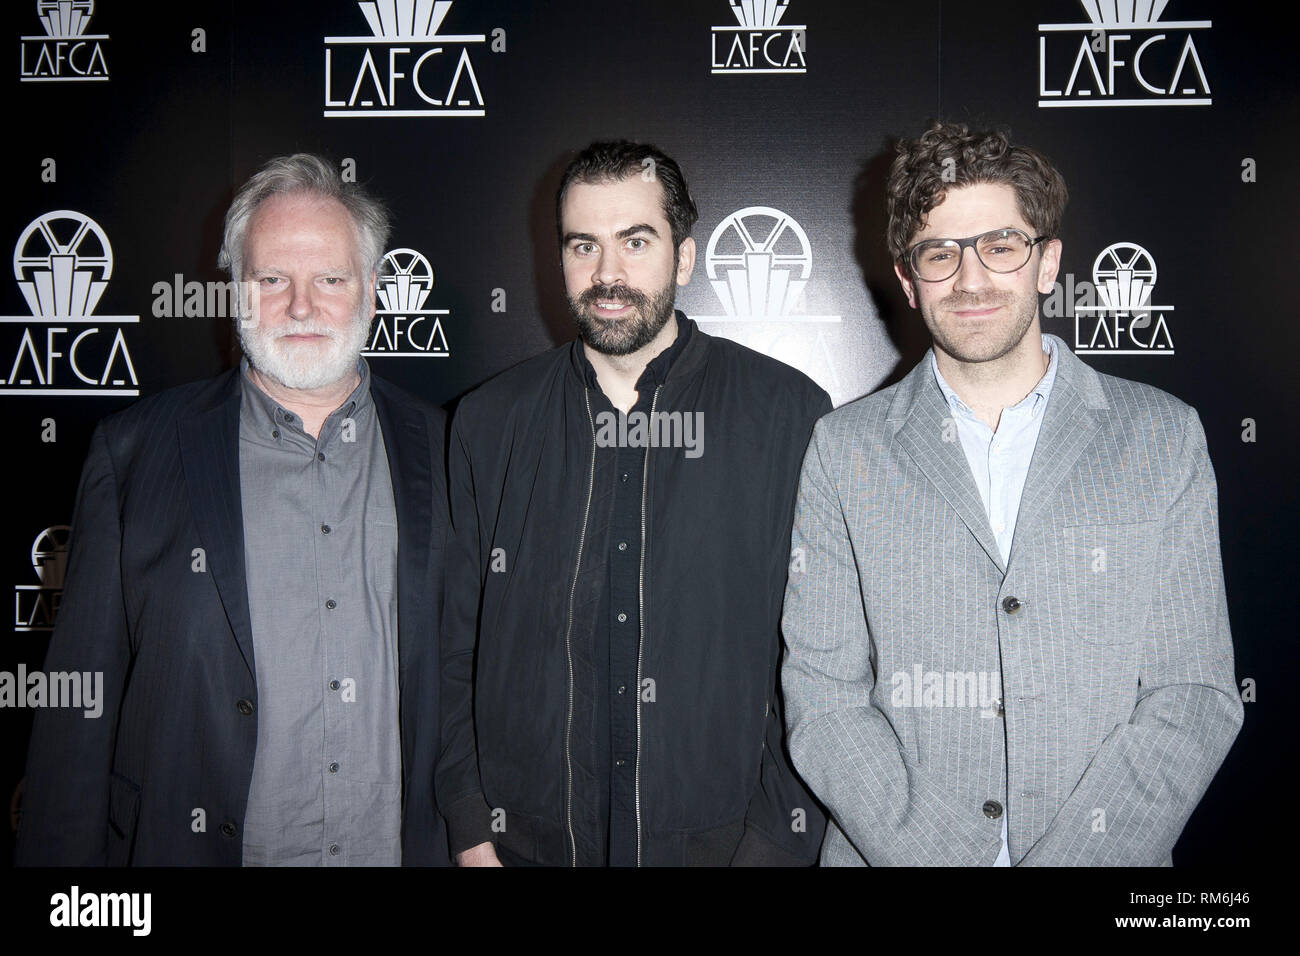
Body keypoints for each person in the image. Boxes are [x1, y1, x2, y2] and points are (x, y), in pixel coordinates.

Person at [781, 121, 1242, 866]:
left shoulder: (1163, 438)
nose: (970, 279)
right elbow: (824, 697)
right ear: (908, 278)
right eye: (940, 253)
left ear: (1048, 262)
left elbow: (1193, 694)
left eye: (1000, 245)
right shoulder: (845, 450)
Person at [15, 154, 451, 866]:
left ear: (372, 291)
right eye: (272, 279)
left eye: (331, 280)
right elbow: (77, 717)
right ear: (235, 293)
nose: (301, 306)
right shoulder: (134, 455)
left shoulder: (446, 451)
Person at [438, 140, 829, 866]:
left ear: (683, 258)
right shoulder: (489, 423)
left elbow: (822, 664)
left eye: (635, 242)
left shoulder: (790, 418)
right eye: (583, 245)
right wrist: (469, 826)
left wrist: (773, 844)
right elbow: (451, 644)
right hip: (524, 848)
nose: (607, 274)